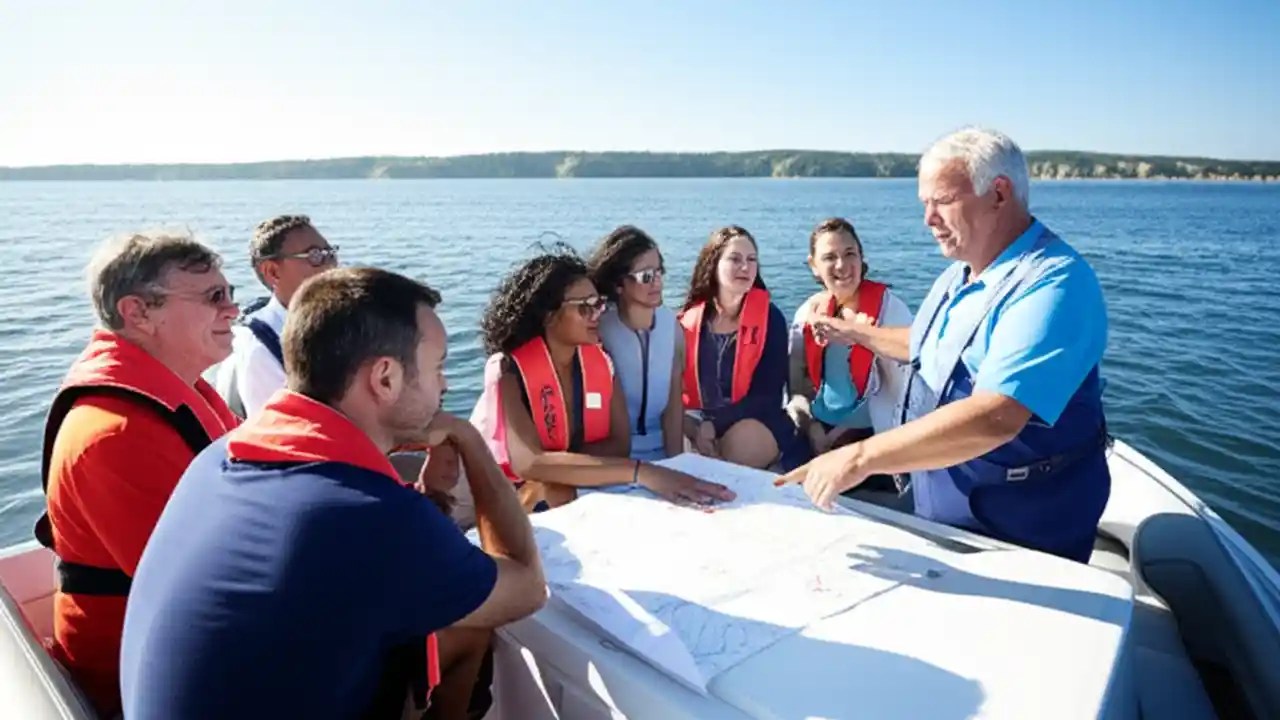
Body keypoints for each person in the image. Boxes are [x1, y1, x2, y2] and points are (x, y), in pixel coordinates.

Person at [120, 267, 547, 719]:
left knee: (460, 631)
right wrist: (468, 438)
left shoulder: (224, 455)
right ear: (385, 378)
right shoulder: (368, 515)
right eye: (438, 368)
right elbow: (527, 587)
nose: (446, 385)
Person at [778, 127, 1111, 564]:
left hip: (1020, 525)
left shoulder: (1054, 284)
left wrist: (858, 458)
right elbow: (928, 345)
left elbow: (998, 417)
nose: (928, 219)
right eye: (925, 204)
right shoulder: (961, 274)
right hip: (945, 505)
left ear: (998, 193)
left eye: (942, 202)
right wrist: (854, 333)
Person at [36, 230, 241, 717]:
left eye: (230, 294)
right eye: (214, 297)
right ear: (138, 313)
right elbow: (199, 604)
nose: (232, 310)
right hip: (144, 683)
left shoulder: (181, 391)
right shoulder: (116, 436)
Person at [470, 244, 734, 511]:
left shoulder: (601, 363)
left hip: (573, 488)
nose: (598, 315)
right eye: (585, 307)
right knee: (554, 490)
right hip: (513, 499)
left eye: (598, 304)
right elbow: (529, 462)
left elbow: (620, 444)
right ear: (549, 315)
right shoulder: (507, 371)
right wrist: (643, 472)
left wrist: (562, 469)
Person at [786, 218, 914, 467]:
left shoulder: (891, 312)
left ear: (861, 257)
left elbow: (904, 393)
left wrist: (864, 336)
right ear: (813, 265)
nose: (842, 265)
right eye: (829, 257)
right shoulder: (807, 315)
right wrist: (812, 428)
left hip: (876, 436)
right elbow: (797, 387)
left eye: (849, 254)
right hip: (819, 430)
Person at [679, 225, 796, 469]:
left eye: (751, 259)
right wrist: (695, 426)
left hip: (755, 419)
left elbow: (769, 396)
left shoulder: (770, 319)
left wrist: (714, 423)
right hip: (698, 417)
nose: (745, 266)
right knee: (677, 441)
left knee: (740, 447)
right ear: (713, 264)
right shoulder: (688, 321)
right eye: (735, 259)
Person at [214, 214, 338, 419]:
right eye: (315, 255)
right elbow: (276, 435)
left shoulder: (340, 325)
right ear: (272, 272)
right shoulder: (262, 349)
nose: (330, 266)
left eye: (330, 253)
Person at [587, 225, 684, 462]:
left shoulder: (672, 328)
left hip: (661, 452)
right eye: (646, 276)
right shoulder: (599, 332)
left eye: (659, 272)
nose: (657, 283)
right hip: (614, 457)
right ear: (619, 284)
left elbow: (673, 410)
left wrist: (680, 466)